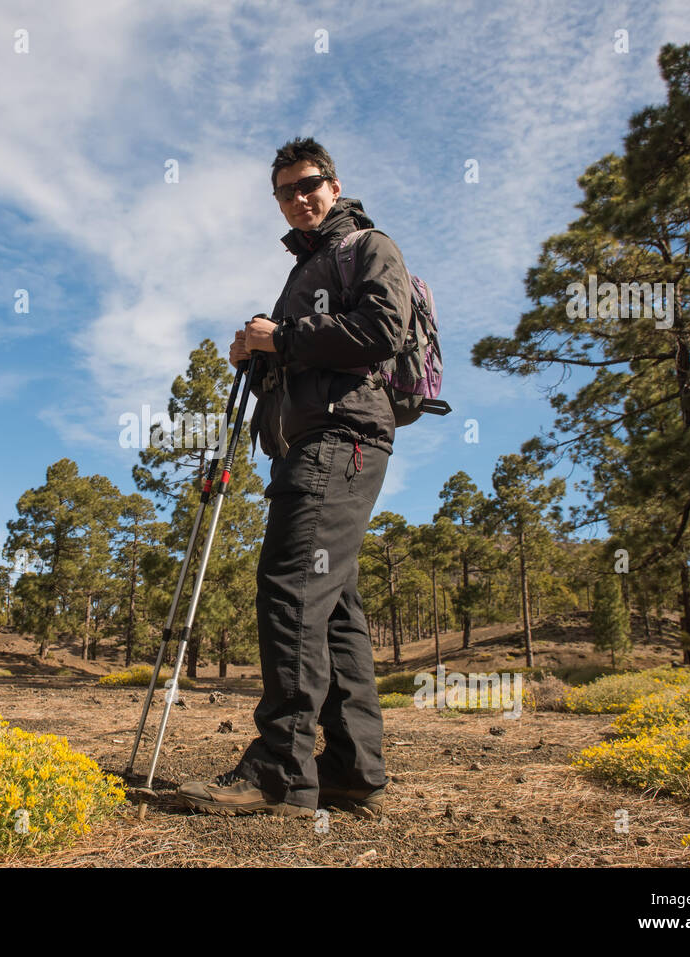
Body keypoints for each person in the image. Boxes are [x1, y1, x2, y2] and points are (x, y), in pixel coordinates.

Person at [176, 137, 413, 819]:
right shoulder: (309, 268)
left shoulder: (367, 246)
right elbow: (309, 345)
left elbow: (380, 330)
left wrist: (278, 337)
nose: (299, 197)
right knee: (333, 610)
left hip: (339, 441)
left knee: (288, 587)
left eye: (310, 184)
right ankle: (349, 767)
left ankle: (279, 768)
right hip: (314, 443)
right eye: (286, 191)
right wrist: (259, 352)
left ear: (334, 186)